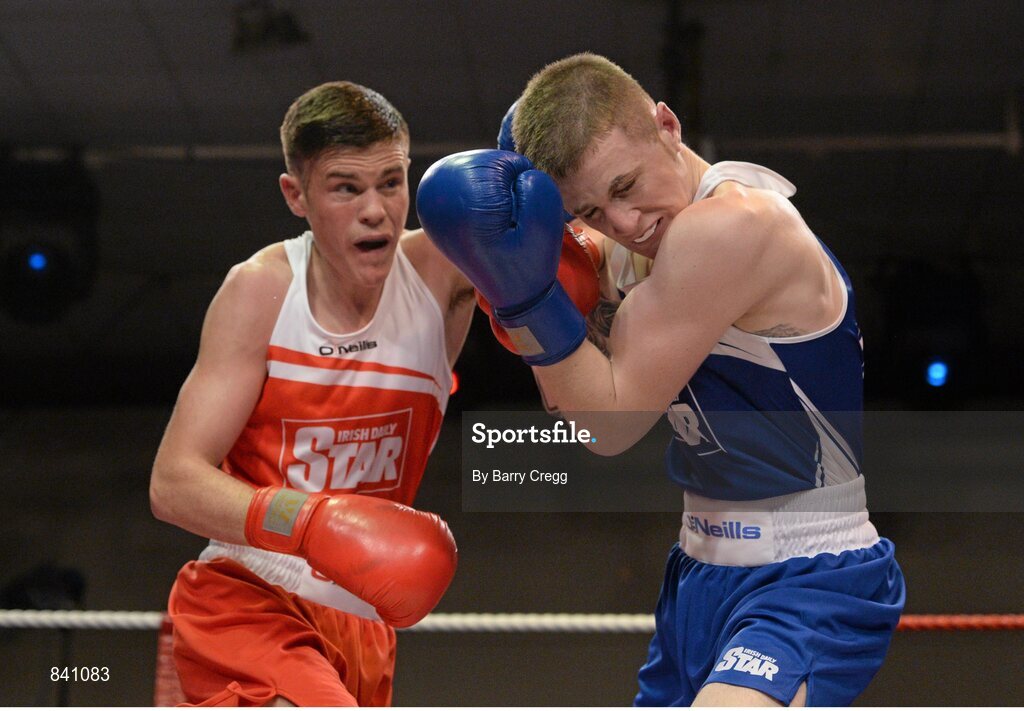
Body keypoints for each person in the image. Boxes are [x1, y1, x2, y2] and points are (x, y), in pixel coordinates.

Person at [416, 53, 906, 707]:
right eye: (587, 208)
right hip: (698, 569)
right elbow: (572, 401)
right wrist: (548, 279)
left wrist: (526, 298)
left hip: (806, 574)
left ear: (667, 125)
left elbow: (606, 425)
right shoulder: (628, 247)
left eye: (624, 186)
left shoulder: (732, 226)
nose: (621, 223)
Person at [149, 81, 475, 707]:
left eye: (390, 182)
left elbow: (584, 310)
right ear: (295, 195)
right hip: (248, 593)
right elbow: (173, 482)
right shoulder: (262, 291)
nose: (376, 210)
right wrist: (310, 524)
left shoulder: (444, 272)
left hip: (366, 620)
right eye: (346, 188)